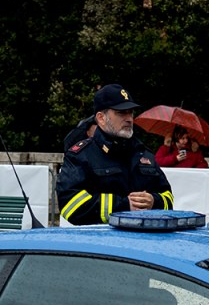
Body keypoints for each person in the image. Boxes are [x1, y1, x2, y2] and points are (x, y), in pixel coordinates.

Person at [56, 84, 174, 225]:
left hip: (141, 240)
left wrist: (154, 201)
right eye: (121, 113)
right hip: (100, 242)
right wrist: (123, 206)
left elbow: (168, 198)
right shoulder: (81, 155)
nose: (129, 118)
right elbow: (70, 205)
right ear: (101, 118)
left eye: (131, 112)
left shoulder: (143, 153)